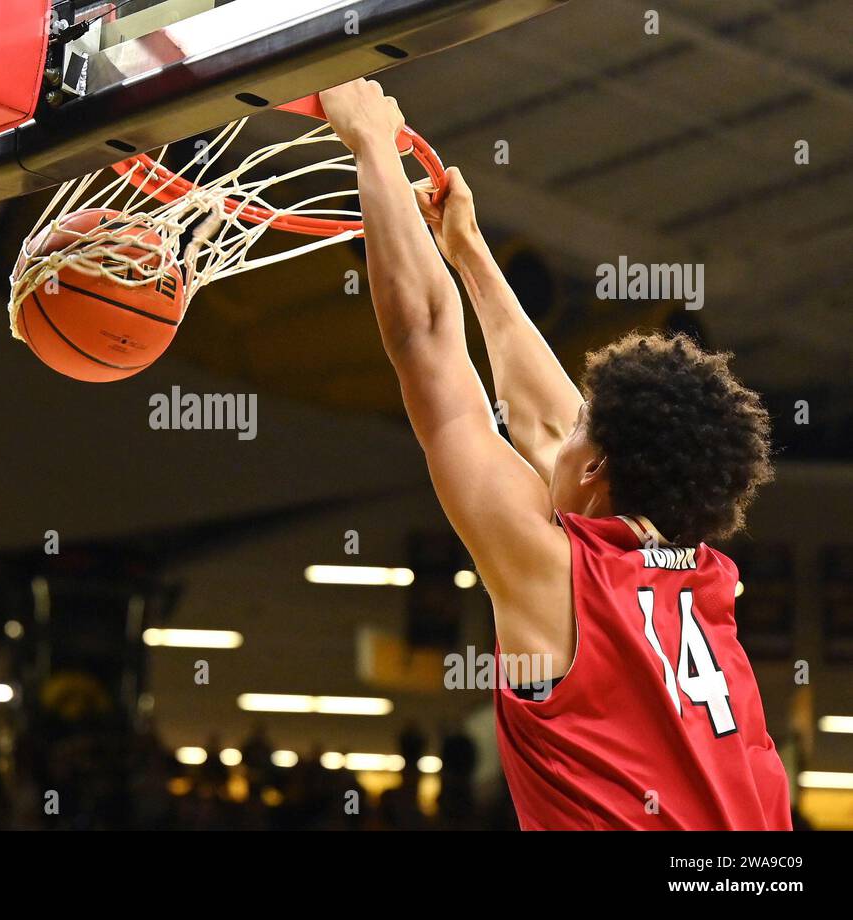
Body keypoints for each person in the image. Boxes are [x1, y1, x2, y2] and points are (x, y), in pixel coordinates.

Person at [319, 80, 790, 830]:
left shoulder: (557, 573)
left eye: (582, 433)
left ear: (600, 468)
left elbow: (425, 344)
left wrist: (371, 142)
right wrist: (468, 254)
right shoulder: (700, 578)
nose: (554, 433)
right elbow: (546, 424)